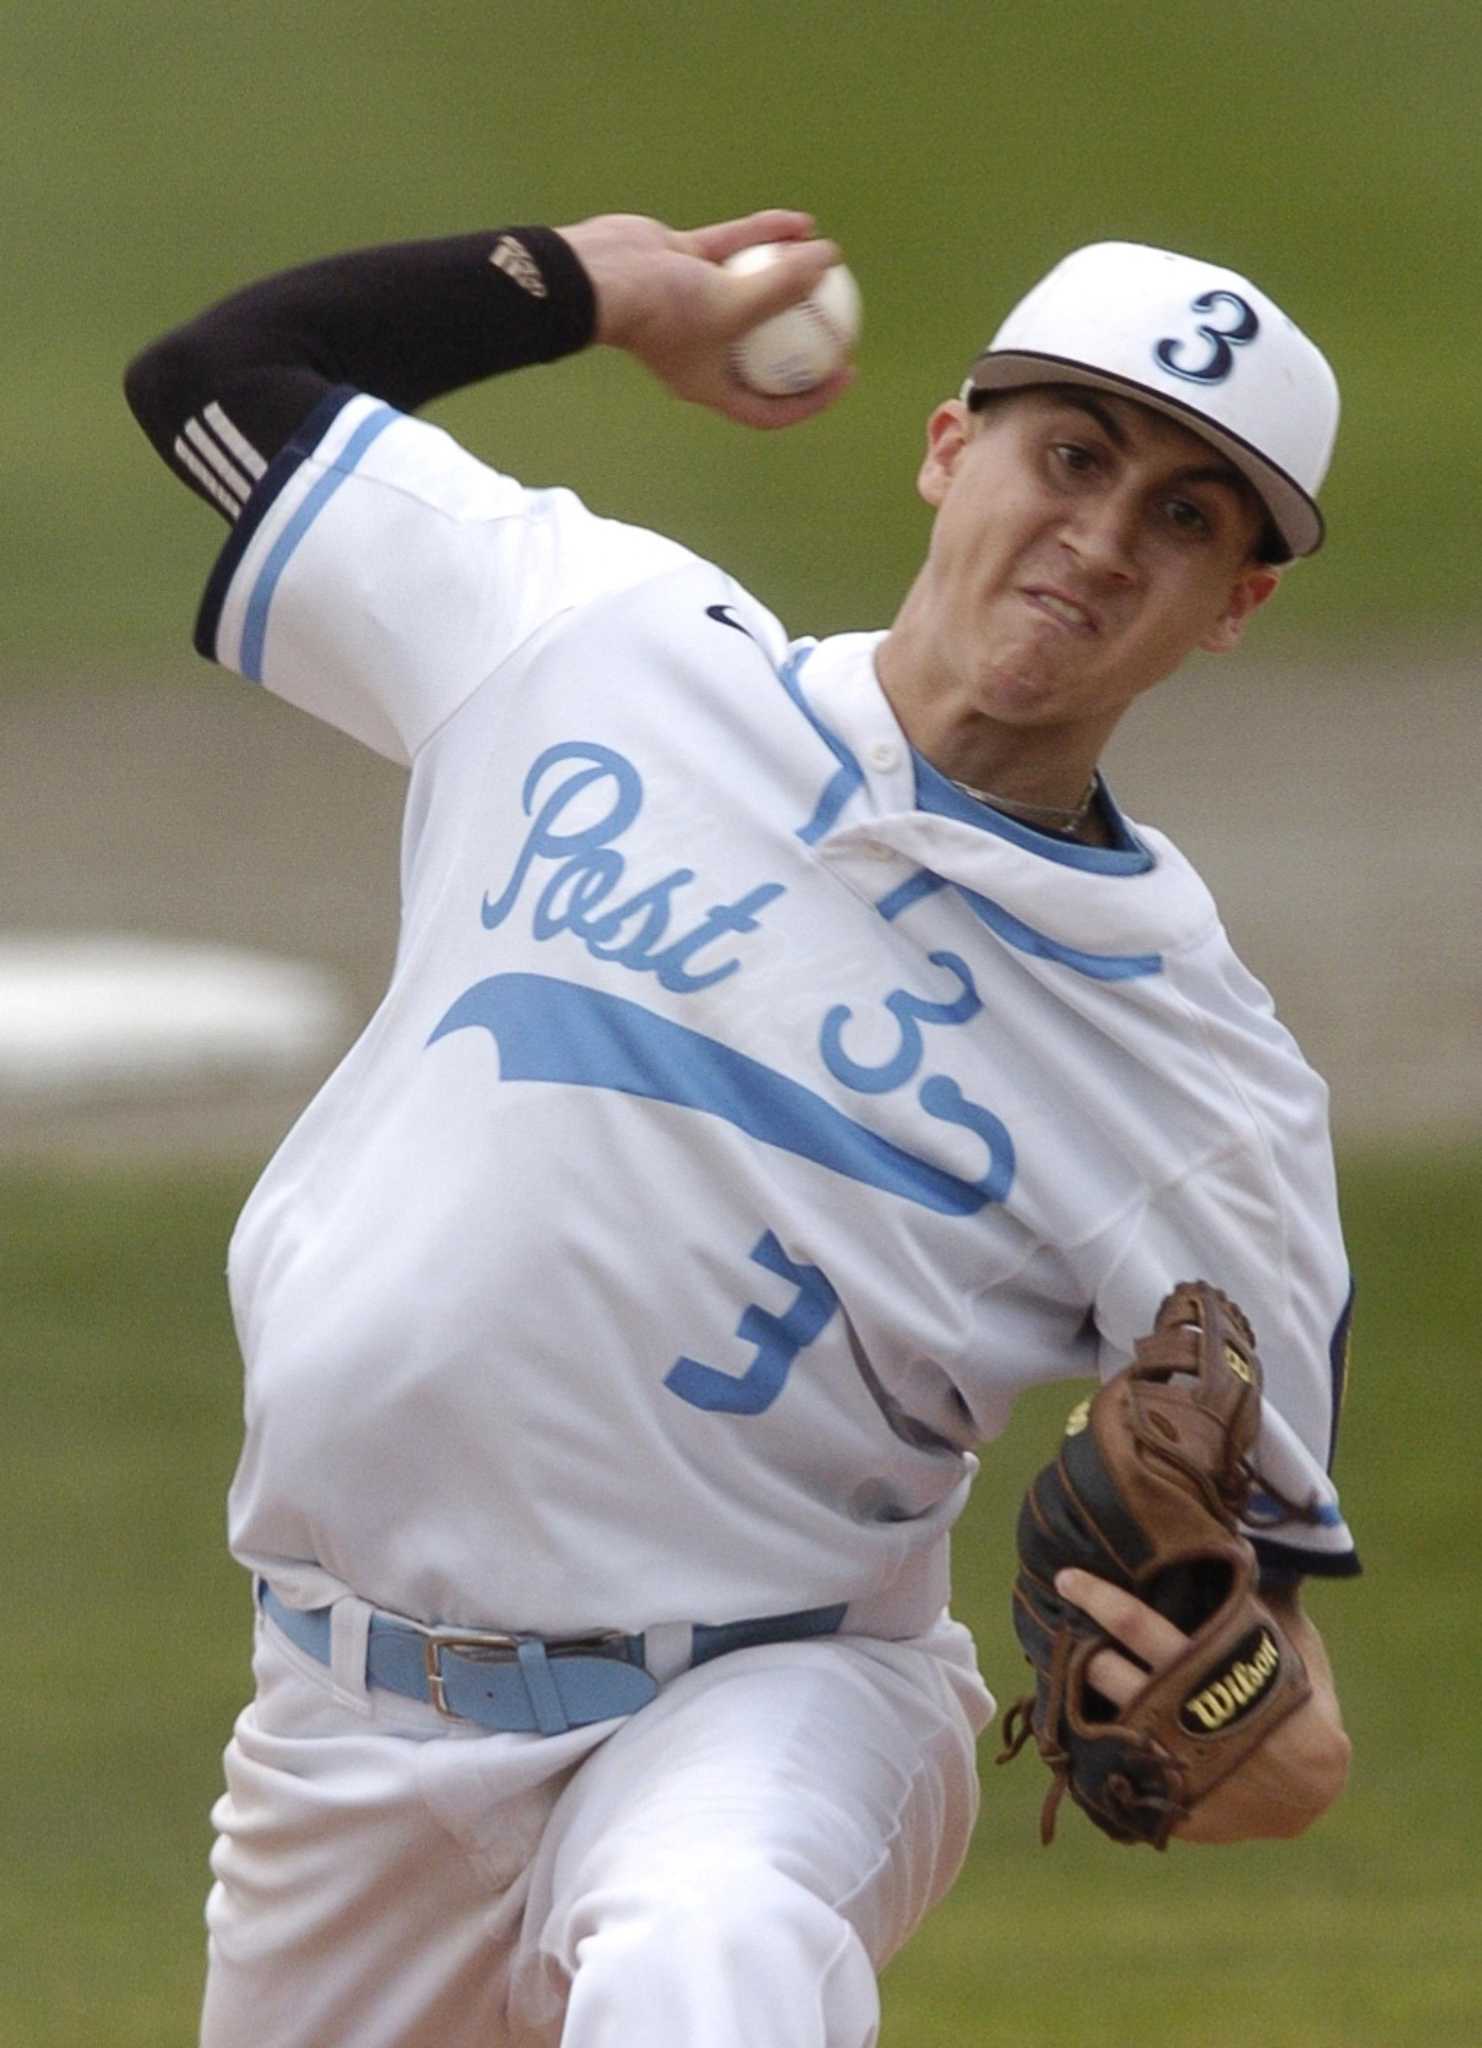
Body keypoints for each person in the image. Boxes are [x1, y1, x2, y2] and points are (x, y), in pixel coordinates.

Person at [124, 209, 1359, 2048]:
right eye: (1074, 456)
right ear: (951, 448)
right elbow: (209, 388)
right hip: (338, 1726)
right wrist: (588, 285)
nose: (1100, 541)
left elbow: (1275, 1716)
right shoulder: (590, 640)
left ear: (1235, 602)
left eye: (1186, 516)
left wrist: (1235, 1722)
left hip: (766, 1707)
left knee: (708, 1960)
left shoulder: (1201, 1090)